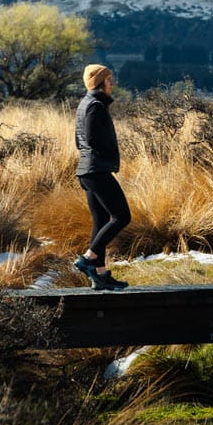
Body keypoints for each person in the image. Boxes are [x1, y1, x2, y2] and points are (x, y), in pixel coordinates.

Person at [72, 63, 131, 290]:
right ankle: (88, 258)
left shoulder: (85, 103)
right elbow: (91, 139)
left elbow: (79, 141)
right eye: (109, 79)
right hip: (96, 170)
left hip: (88, 170)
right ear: (100, 82)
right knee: (121, 216)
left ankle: (100, 274)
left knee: (101, 221)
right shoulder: (95, 106)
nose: (112, 83)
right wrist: (108, 153)